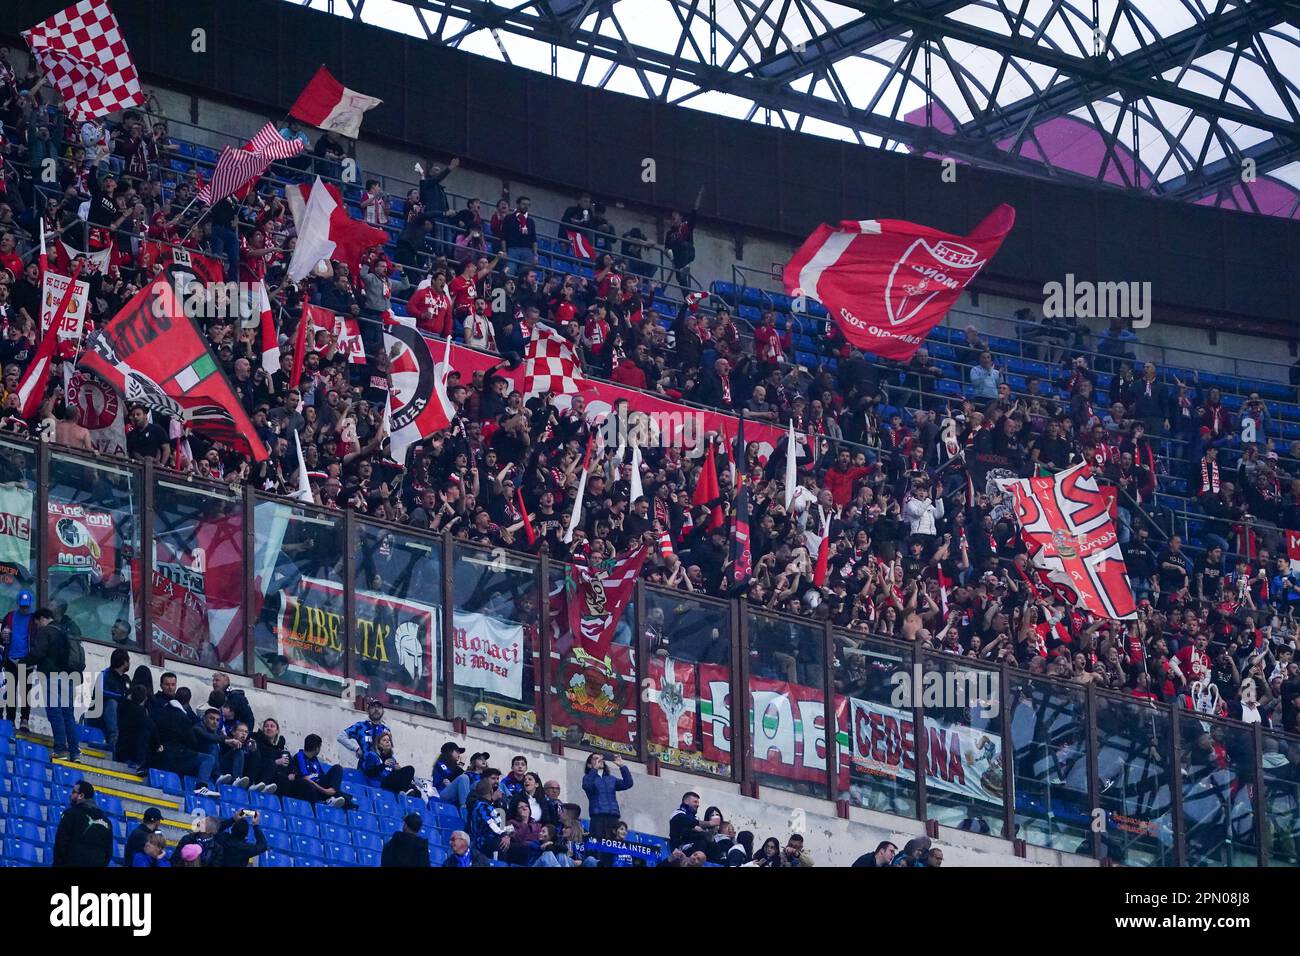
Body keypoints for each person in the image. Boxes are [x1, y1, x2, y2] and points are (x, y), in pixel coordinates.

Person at [29, 607, 80, 761]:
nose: (38, 627)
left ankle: (60, 749)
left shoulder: (46, 632)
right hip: (68, 677)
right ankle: (75, 752)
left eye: (38, 623)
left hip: (52, 677)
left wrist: (23, 662)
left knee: (55, 713)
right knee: (68, 715)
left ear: (42, 619)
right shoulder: (64, 631)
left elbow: (38, 653)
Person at [51, 781, 113, 868]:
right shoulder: (107, 822)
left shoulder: (70, 814)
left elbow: (60, 844)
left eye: (73, 792)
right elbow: (108, 853)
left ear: (81, 796)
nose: (70, 794)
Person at [0, 587, 35, 728]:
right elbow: (2, 639)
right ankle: (10, 719)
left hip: (26, 660)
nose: (24, 609)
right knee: (10, 691)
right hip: (10, 658)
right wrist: (3, 636)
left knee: (26, 691)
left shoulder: (34, 619)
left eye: (26, 606)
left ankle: (25, 720)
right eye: (22, 606)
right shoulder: (9, 616)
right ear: (17, 603)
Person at [290, 734, 351, 808]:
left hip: (320, 787)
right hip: (310, 788)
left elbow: (322, 776)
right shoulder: (300, 756)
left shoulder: (314, 759)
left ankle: (332, 795)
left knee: (337, 768)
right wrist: (325, 791)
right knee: (312, 788)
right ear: (317, 748)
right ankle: (329, 798)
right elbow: (306, 779)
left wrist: (330, 790)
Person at [581, 752, 633, 840]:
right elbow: (587, 786)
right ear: (589, 765)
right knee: (599, 845)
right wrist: (594, 769)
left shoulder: (611, 779)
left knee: (613, 845)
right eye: (595, 759)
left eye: (600, 758)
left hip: (613, 816)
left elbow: (628, 783)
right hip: (598, 817)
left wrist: (622, 766)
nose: (599, 760)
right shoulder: (587, 778)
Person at [361, 731, 421, 797]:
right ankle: (405, 791)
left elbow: (393, 774)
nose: (387, 742)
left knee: (410, 772)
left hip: (391, 783)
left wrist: (397, 769)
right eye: (384, 740)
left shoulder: (392, 758)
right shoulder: (372, 755)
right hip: (381, 783)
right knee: (410, 769)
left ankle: (408, 791)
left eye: (389, 740)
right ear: (378, 744)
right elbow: (369, 773)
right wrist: (383, 765)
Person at [337, 700, 390, 765]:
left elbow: (388, 751)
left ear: (383, 711)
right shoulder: (361, 726)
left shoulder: (386, 730)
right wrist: (356, 748)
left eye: (379, 707)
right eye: (373, 707)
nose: (376, 710)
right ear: (368, 710)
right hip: (364, 768)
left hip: (381, 770)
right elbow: (341, 736)